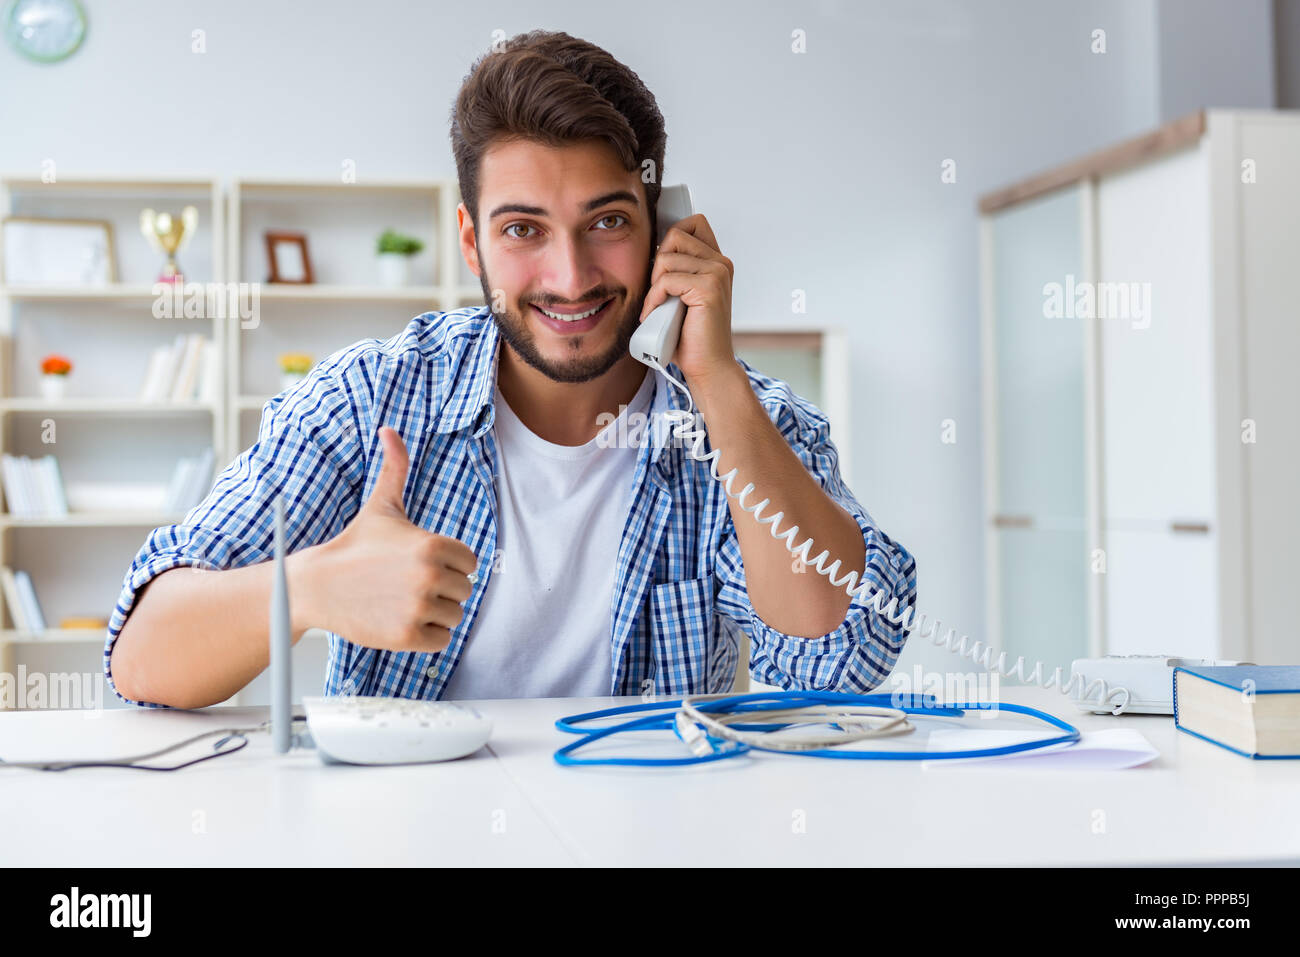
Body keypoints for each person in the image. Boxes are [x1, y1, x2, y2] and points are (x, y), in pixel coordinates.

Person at [106, 29, 917, 709]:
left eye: (606, 220)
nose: (570, 276)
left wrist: (717, 381)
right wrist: (311, 587)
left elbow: (839, 664)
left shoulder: (743, 423)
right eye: (524, 230)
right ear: (472, 244)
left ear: (666, 227)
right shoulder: (371, 398)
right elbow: (140, 659)